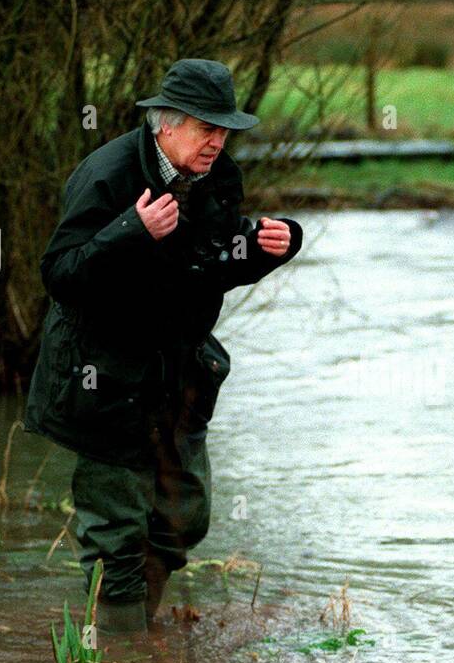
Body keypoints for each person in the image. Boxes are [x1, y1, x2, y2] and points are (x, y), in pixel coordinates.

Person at [24, 58, 303, 632]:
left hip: (178, 371)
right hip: (101, 376)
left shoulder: (219, 176)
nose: (218, 142)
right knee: (116, 534)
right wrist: (130, 231)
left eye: (225, 131)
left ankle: (130, 635)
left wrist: (269, 249)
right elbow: (60, 274)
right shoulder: (105, 175)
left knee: (186, 517)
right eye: (208, 129)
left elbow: (209, 264)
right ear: (166, 125)